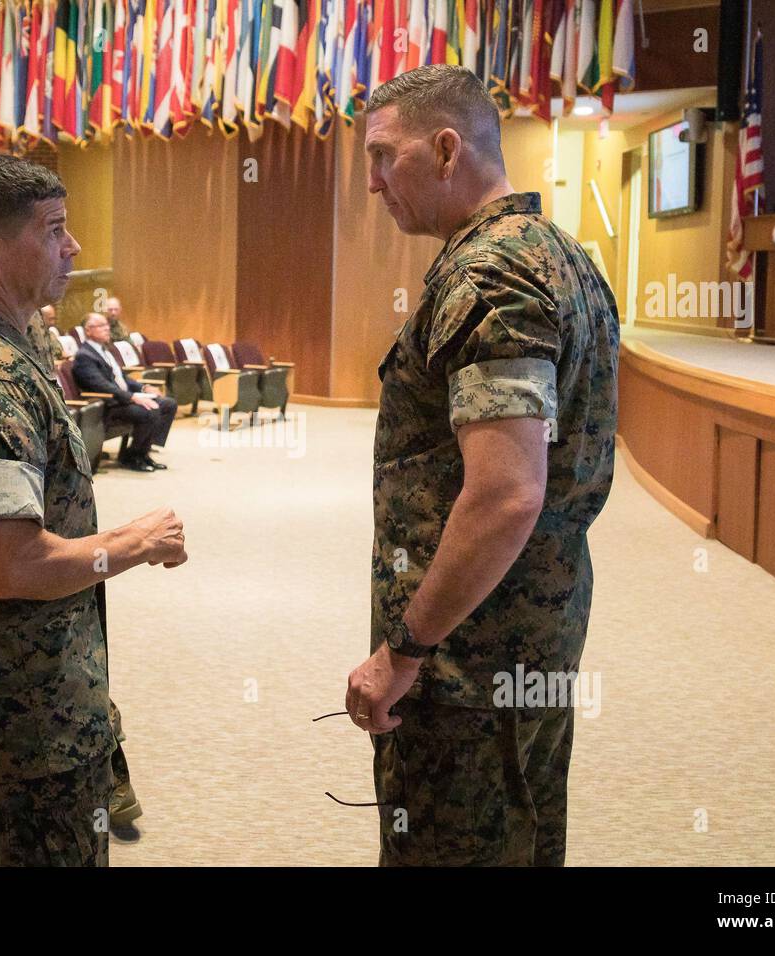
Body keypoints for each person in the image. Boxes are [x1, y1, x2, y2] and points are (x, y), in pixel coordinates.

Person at [343, 66, 619, 867]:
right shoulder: (562, 255)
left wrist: (404, 651)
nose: (370, 184)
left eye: (382, 156)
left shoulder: (489, 277)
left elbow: (505, 494)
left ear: (445, 148)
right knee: (523, 837)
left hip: (468, 656)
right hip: (534, 629)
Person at [0, 152, 187, 866]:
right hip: (21, 725)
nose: (73, 246)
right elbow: (10, 563)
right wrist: (134, 541)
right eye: (54, 228)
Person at [72, 313, 176, 472]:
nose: (107, 328)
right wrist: (133, 397)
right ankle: (132, 456)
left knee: (168, 404)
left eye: (106, 325)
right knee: (151, 410)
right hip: (108, 404)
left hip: (122, 399)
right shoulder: (84, 356)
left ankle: (143, 452)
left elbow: (121, 378)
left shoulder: (104, 350)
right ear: (88, 330)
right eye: (101, 325)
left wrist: (143, 388)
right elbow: (101, 386)